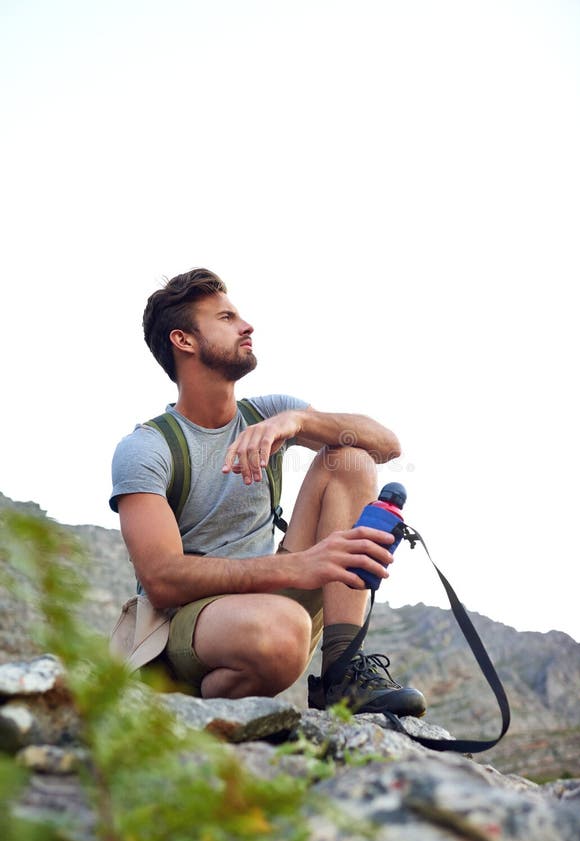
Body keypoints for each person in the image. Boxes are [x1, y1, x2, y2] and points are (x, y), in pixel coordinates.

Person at [109, 267, 426, 717]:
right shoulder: (146, 448)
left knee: (349, 458)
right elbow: (161, 579)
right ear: (185, 341)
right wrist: (302, 565)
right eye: (226, 318)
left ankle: (341, 672)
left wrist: (299, 421)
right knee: (282, 630)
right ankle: (185, 710)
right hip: (188, 623)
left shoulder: (268, 413)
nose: (247, 326)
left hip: (274, 604)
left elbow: (386, 445)